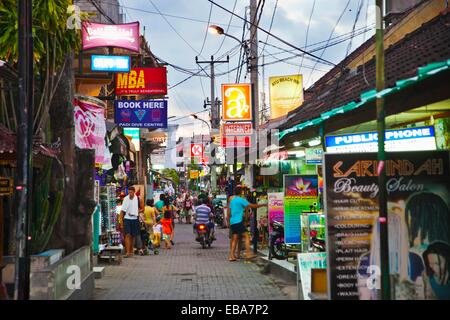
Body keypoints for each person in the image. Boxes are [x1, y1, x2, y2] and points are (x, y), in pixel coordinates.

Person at [228, 187, 266, 261]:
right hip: (238, 221)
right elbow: (252, 206)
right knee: (247, 236)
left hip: (233, 221)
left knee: (235, 238)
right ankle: (248, 254)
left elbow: (229, 212)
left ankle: (231, 256)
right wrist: (262, 204)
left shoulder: (232, 200)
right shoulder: (241, 200)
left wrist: (228, 221)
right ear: (241, 192)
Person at [119, 187, 142, 258]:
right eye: (129, 192)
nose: (130, 194)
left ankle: (131, 251)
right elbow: (122, 210)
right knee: (127, 235)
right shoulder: (126, 199)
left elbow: (142, 208)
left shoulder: (137, 198)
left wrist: (136, 212)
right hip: (127, 219)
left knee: (133, 236)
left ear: (134, 192)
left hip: (135, 219)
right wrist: (121, 222)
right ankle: (127, 252)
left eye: (131, 192)